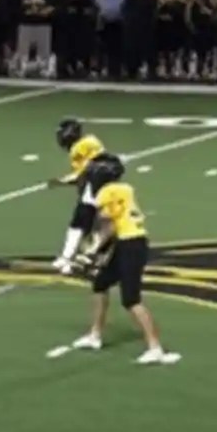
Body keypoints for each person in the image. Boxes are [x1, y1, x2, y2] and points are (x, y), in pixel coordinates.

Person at [67, 154, 180, 366]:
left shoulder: (105, 193)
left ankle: (155, 348)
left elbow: (108, 226)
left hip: (129, 245)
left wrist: (90, 251)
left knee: (131, 299)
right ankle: (95, 335)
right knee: (100, 283)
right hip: (133, 242)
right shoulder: (125, 188)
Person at [47, 118, 105, 272]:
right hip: (104, 188)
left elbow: (82, 174)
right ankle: (93, 258)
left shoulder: (80, 148)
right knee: (95, 226)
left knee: (78, 224)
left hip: (94, 188)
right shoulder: (91, 142)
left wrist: (61, 181)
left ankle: (67, 258)